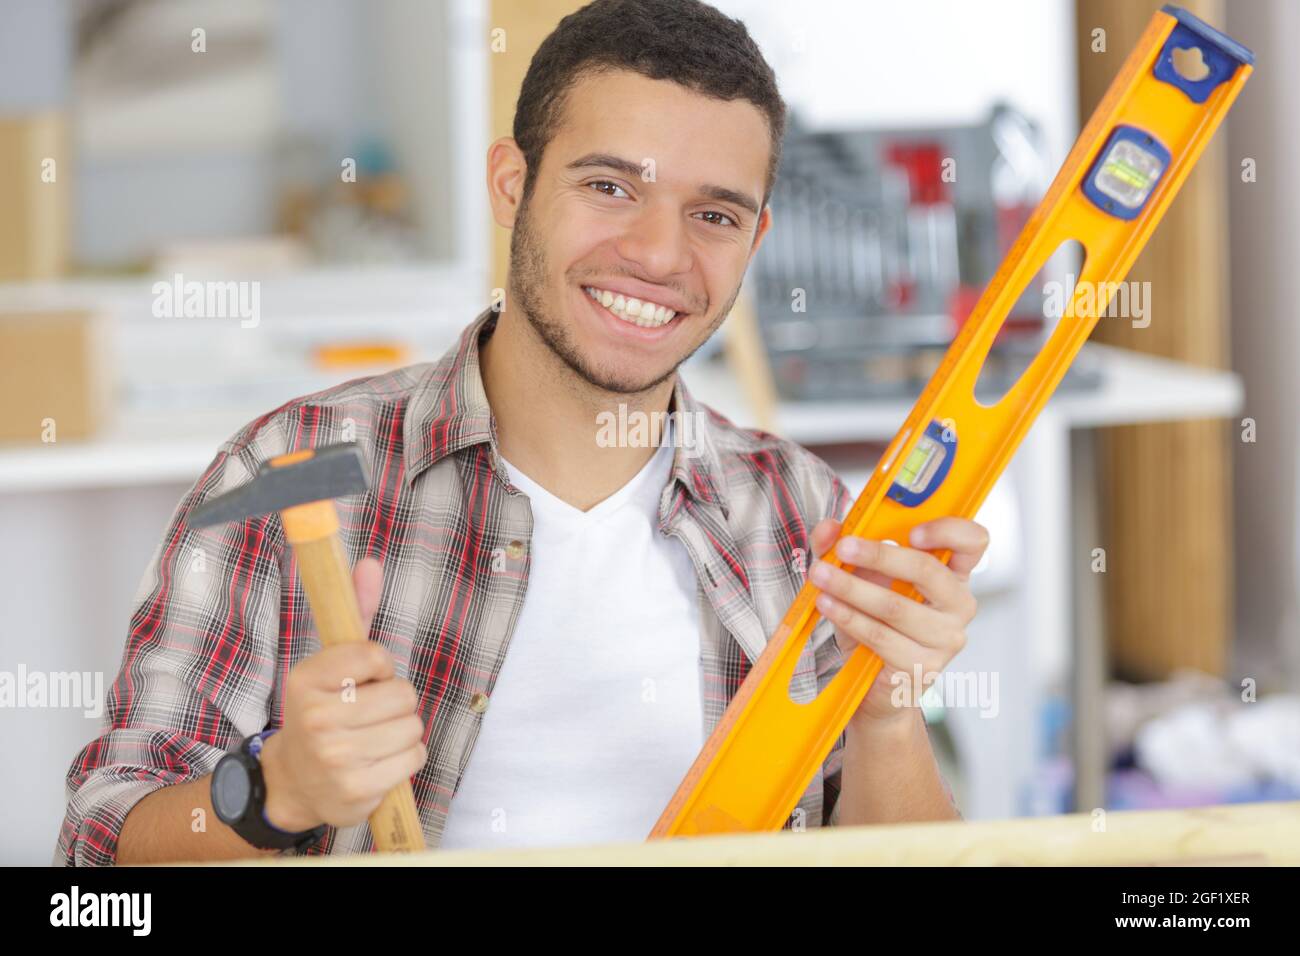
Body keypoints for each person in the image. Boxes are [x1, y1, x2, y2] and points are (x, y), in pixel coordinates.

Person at [57, 0, 988, 865]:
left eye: (714, 214)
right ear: (513, 183)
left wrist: (888, 716)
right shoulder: (286, 472)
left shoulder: (804, 516)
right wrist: (278, 792)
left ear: (756, 237)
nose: (661, 255)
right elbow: (100, 854)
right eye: (611, 187)